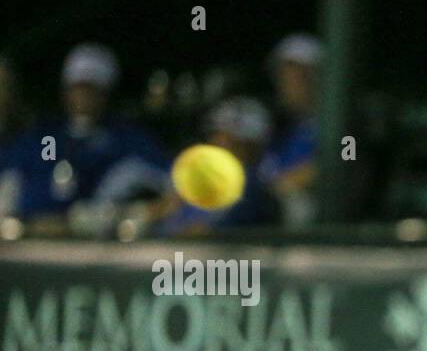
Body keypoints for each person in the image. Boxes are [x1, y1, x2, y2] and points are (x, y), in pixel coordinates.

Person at [0, 43, 168, 228]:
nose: (82, 95)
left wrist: (128, 215)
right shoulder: (40, 135)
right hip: (27, 237)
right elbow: (10, 179)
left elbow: (170, 187)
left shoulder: (128, 140)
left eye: (91, 88)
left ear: (106, 92)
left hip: (93, 244)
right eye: (76, 87)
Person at [154, 97, 278, 234]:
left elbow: (205, 234)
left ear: (251, 145)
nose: (219, 143)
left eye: (231, 139)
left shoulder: (249, 186)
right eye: (217, 135)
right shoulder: (205, 179)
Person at [260, 33, 321, 226]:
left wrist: (273, 190)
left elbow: (341, 166)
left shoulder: (338, 125)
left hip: (308, 234)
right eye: (284, 75)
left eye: (301, 75)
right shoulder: (279, 126)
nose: (289, 84)